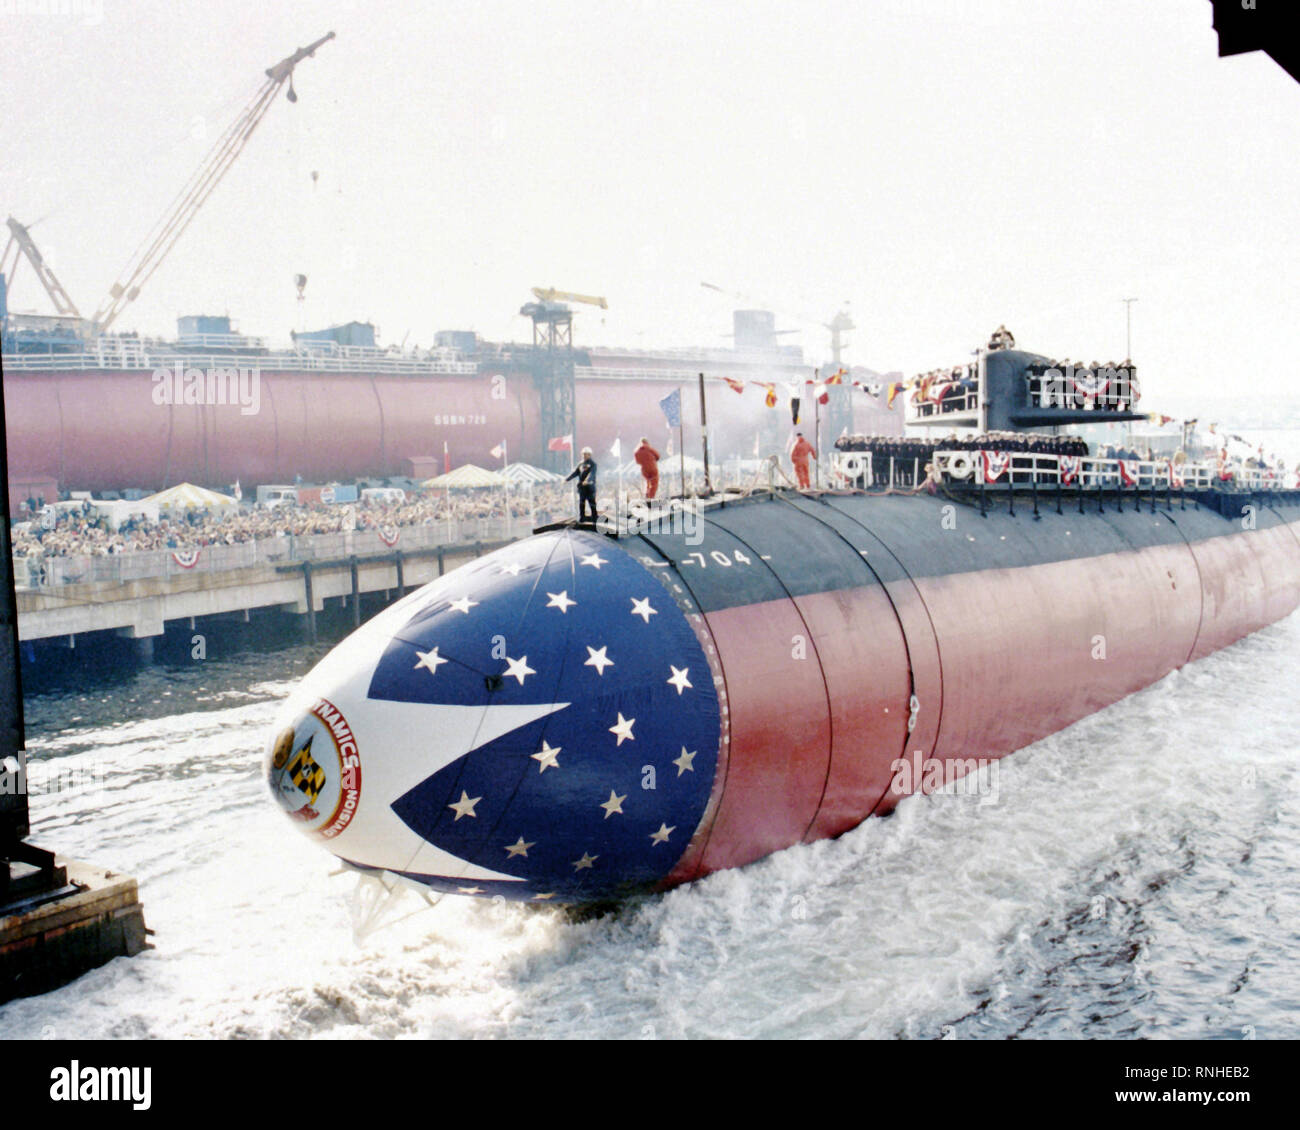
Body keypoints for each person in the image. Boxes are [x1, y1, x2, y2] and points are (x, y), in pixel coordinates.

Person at [566, 446, 598, 523]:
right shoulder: (580, 464)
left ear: (590, 455)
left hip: (589, 487)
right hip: (582, 488)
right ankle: (582, 518)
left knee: (592, 503)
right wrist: (567, 479)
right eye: (583, 454)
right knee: (581, 503)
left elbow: (592, 473)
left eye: (586, 454)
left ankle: (595, 519)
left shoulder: (593, 464)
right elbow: (576, 472)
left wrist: (587, 480)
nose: (584, 456)